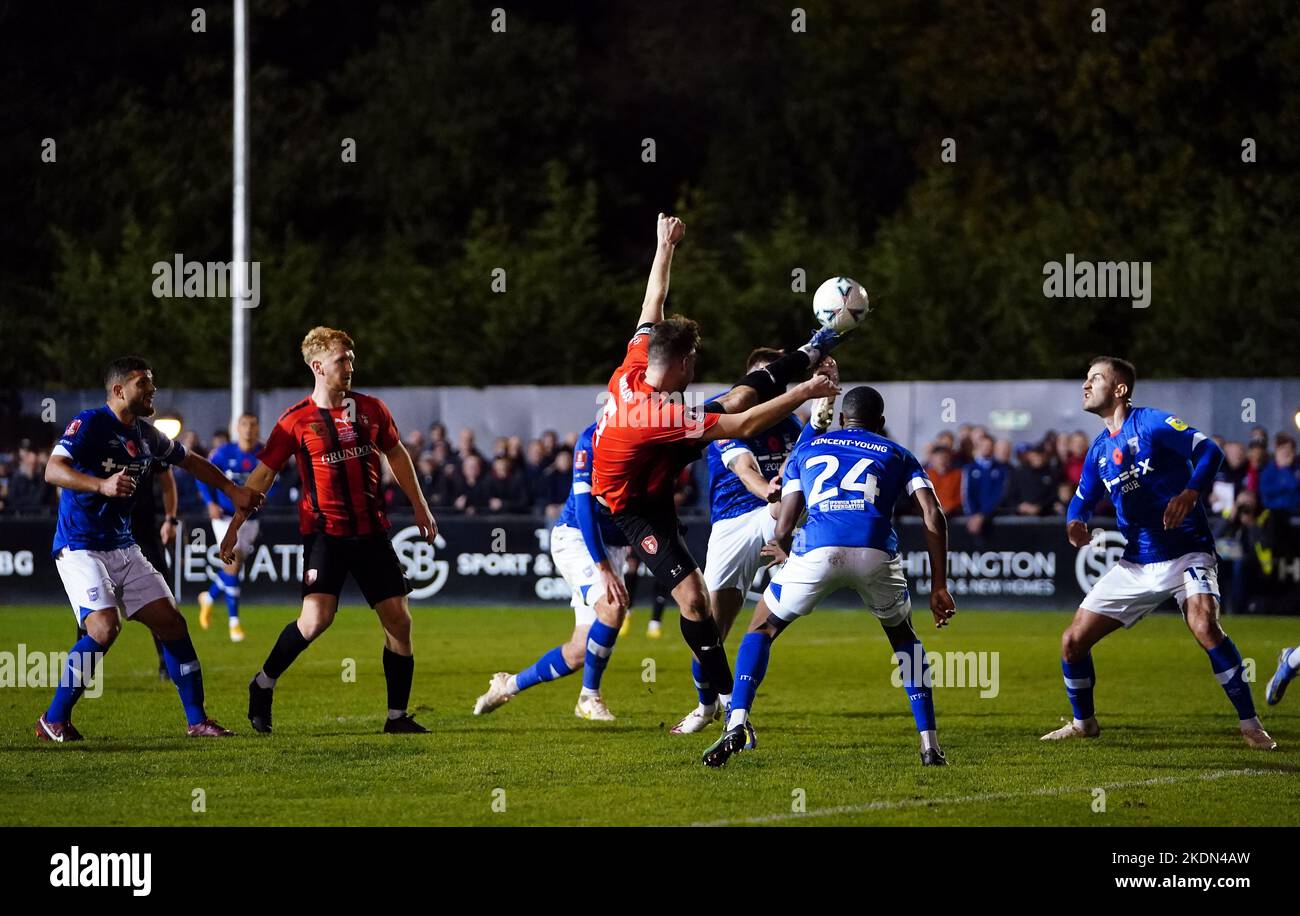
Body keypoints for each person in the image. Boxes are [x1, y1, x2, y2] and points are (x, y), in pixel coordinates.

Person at [590, 213, 844, 730]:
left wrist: (665, 247)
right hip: (633, 505)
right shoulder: (657, 415)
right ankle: (726, 699)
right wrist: (805, 393)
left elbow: (650, 304)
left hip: (650, 465)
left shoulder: (635, 363)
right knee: (693, 601)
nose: (696, 371)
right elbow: (745, 425)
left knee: (745, 388)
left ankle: (816, 344)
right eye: (695, 362)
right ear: (682, 363)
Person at [701, 386, 956, 767]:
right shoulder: (899, 453)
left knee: (761, 629)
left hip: (818, 547)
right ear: (881, 424)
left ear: (840, 419)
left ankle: (736, 722)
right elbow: (933, 514)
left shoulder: (807, 449)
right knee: (904, 638)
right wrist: (939, 585)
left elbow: (787, 515)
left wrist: (782, 545)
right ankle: (929, 744)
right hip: (874, 550)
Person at [1042, 356, 1275, 750]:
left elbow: (1210, 452)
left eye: (1095, 378)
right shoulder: (1099, 449)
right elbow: (1081, 500)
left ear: (1120, 389)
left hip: (1188, 552)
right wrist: (1075, 524)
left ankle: (1250, 724)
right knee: (1071, 642)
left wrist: (1189, 493)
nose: (1085, 384)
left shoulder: (1151, 423)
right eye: (1085, 378)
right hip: (1136, 563)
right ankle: (1084, 723)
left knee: (1204, 626)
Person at [218, 327, 438, 735]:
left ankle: (396, 718)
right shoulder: (295, 421)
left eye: (351, 358)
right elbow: (263, 475)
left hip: (372, 533)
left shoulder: (371, 409)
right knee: (316, 620)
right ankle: (262, 684)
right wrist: (235, 527)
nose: (350, 366)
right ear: (318, 366)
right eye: (343, 360)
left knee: (399, 622)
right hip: (325, 535)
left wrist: (420, 504)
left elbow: (396, 453)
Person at [37, 356, 260, 741]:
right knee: (105, 628)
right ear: (119, 390)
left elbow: (191, 462)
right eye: (144, 382)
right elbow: (52, 470)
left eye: (152, 381)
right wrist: (102, 485)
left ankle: (197, 721)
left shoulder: (146, 434)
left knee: (172, 623)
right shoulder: (89, 423)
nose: (152, 389)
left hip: (123, 546)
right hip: (80, 546)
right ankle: (53, 719)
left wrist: (232, 490)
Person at [668, 347, 812, 735]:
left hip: (770, 516)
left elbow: (802, 469)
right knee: (711, 630)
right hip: (732, 526)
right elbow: (746, 469)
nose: (770, 386)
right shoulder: (727, 416)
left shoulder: (792, 426)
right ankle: (705, 706)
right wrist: (770, 490)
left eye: (777, 379)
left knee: (790, 508)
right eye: (763, 379)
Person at [472, 423, 631, 720]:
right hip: (577, 535)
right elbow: (584, 508)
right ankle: (589, 697)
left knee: (578, 652)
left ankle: (508, 684)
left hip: (616, 546)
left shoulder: (660, 436)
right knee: (613, 607)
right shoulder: (595, 436)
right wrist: (603, 566)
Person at [196, 412, 265, 642]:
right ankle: (234, 623)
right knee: (233, 564)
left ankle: (208, 597)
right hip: (225, 517)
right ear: (237, 427)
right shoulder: (224, 452)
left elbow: (274, 479)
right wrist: (211, 503)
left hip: (251, 519)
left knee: (232, 567)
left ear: (257, 428)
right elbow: (201, 475)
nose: (249, 429)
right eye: (244, 424)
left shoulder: (263, 453)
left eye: (253, 425)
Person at [1003, 445, 1058, 516]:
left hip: (1045, 517)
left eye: (1040, 455)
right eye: (1035, 456)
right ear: (1029, 456)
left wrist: (1040, 507)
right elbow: (1010, 495)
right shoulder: (1019, 473)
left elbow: (1053, 495)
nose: (1038, 458)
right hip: (1020, 518)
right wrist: (1020, 506)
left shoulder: (1051, 473)